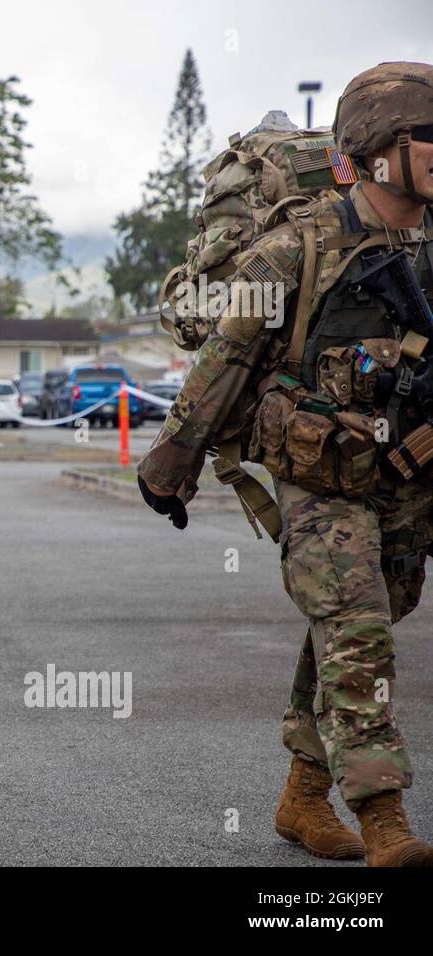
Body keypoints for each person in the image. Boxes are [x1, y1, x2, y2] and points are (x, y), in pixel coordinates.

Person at [138, 62, 433, 866]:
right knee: (357, 626)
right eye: (427, 136)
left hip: (409, 471)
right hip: (319, 470)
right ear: (376, 149)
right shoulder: (295, 249)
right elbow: (225, 365)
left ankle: (303, 795)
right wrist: (172, 462)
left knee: (357, 624)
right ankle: (385, 816)